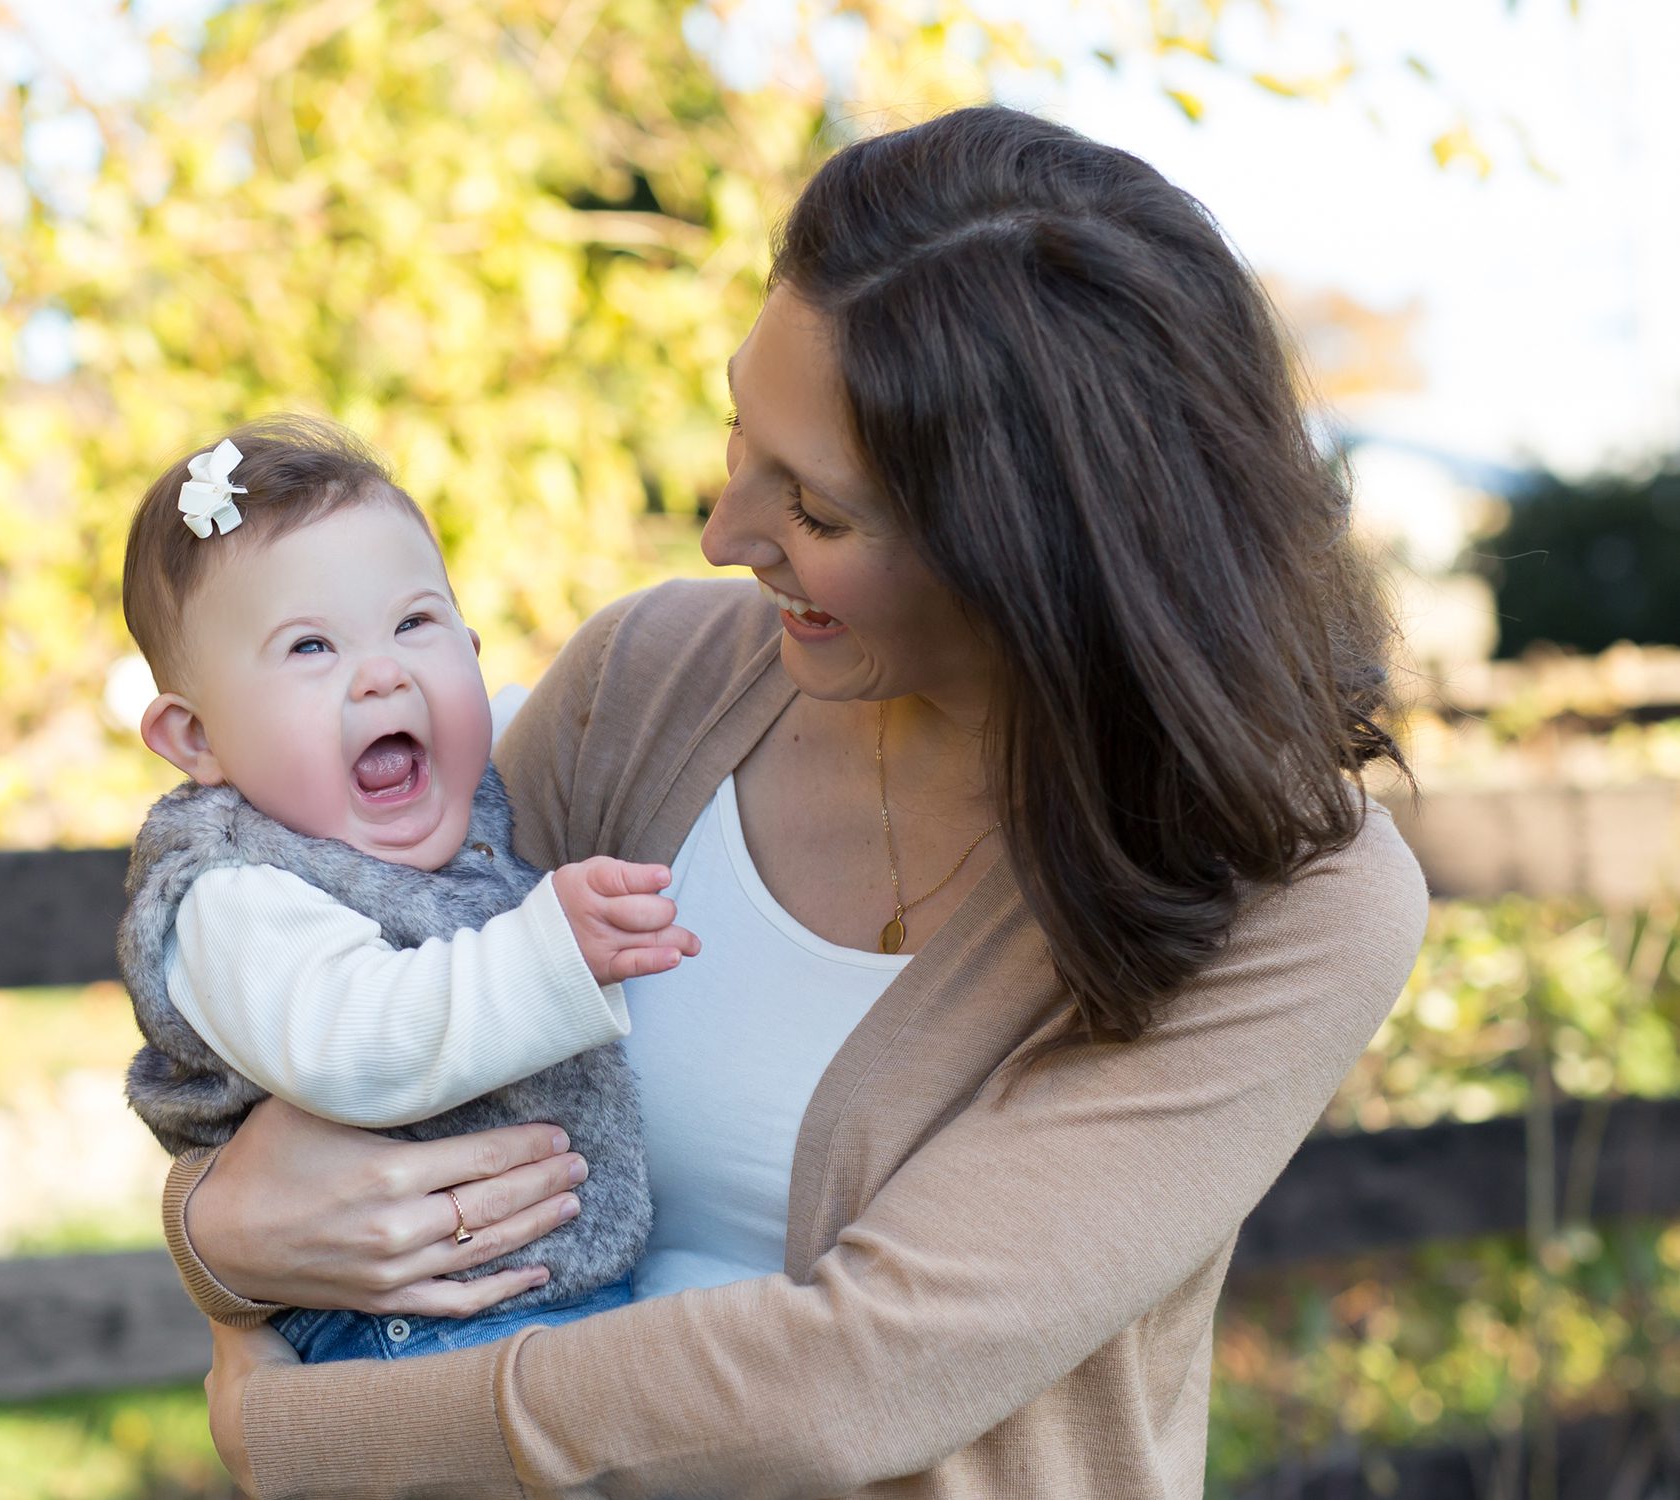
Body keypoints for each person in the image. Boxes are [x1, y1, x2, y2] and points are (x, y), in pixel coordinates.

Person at [164, 106, 1430, 1496]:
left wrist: (291, 1434)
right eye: (735, 436)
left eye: (817, 511)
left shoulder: (1290, 897)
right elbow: (321, 1049)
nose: (725, 534)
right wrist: (216, 1233)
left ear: (1038, 552)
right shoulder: (645, 682)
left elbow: (852, 1386)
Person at [115, 415, 700, 1364]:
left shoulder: (468, 802)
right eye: (310, 648)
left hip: (538, 1305)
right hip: (401, 1331)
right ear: (197, 741)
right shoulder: (230, 890)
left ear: (472, 649)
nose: (383, 673)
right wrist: (550, 953)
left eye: (414, 624)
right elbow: (357, 1045)